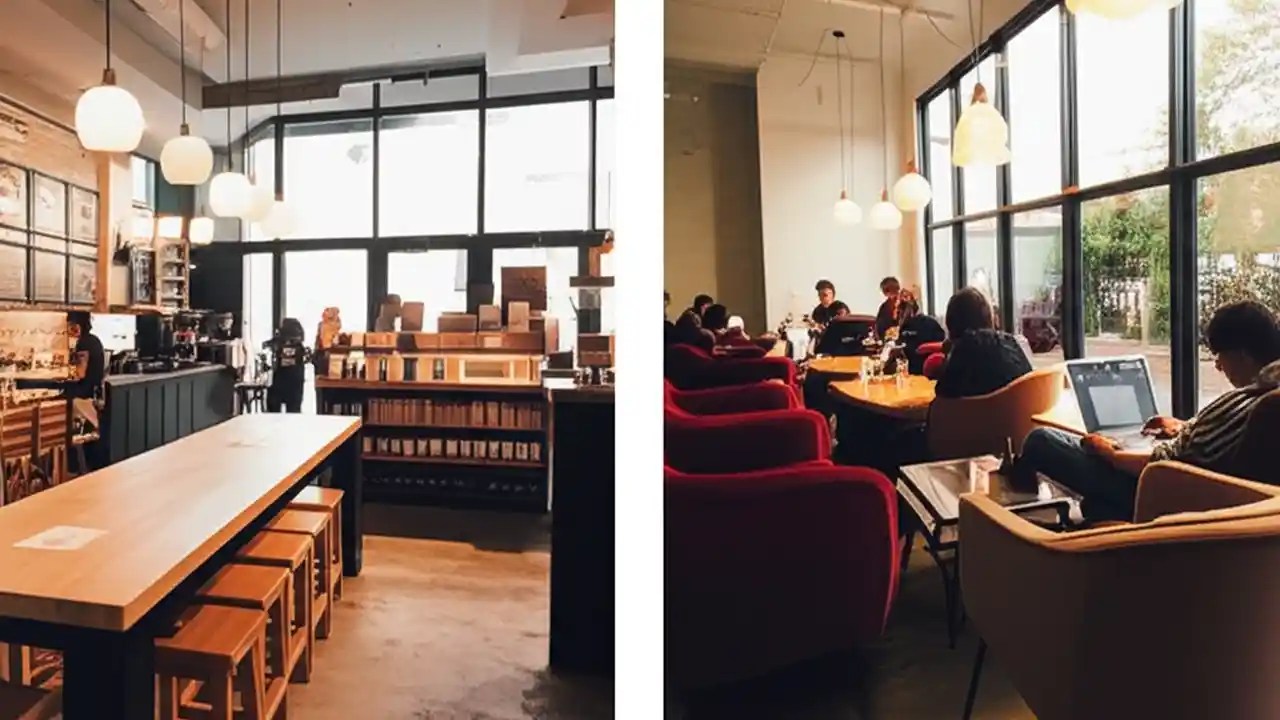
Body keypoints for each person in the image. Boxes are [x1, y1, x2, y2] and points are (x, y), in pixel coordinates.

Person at [1021, 300, 1280, 522]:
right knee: (1097, 506)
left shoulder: (1252, 402)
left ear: (1242, 356)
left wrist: (1112, 453)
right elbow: (1213, 443)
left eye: (1219, 356)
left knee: (1042, 439)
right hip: (1200, 491)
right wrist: (1182, 427)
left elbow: (1164, 465)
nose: (1218, 367)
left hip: (1157, 491)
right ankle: (1107, 510)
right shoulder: (1266, 393)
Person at [934, 287, 1031, 398]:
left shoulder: (963, 351)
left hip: (977, 410)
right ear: (989, 317)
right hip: (1023, 408)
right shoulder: (1011, 342)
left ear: (952, 323)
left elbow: (942, 396)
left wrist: (947, 361)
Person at [264, 317, 310, 413]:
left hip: (279, 382)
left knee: (273, 412)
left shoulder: (278, 344)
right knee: (294, 411)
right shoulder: (300, 348)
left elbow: (266, 346)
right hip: (295, 383)